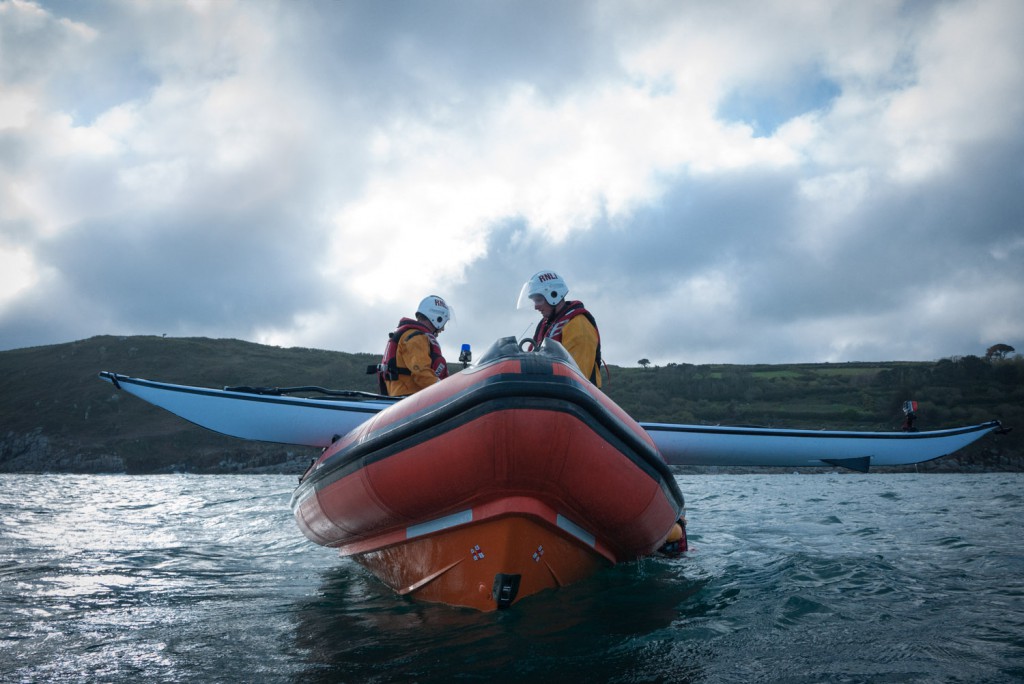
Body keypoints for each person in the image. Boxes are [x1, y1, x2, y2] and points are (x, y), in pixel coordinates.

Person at [518, 270, 602, 387]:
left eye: (538, 300)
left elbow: (577, 380)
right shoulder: (545, 324)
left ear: (553, 295)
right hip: (547, 395)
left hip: (571, 400)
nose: (536, 306)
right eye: (534, 301)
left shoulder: (578, 326)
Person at [372, 295, 451, 396]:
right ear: (437, 318)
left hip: (403, 398)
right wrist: (446, 391)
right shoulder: (416, 338)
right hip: (409, 399)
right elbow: (421, 373)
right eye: (443, 323)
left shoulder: (410, 335)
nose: (442, 329)